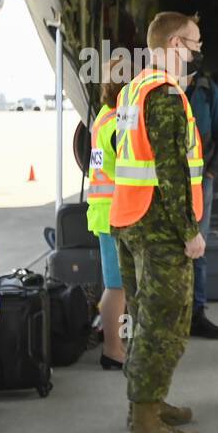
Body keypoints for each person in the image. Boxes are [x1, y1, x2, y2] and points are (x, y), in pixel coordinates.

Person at [110, 12, 206, 433]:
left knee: (146, 320)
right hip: (158, 225)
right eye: (193, 45)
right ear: (171, 44)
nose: (196, 54)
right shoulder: (164, 95)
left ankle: (146, 406)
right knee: (164, 325)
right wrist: (189, 232)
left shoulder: (133, 89)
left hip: (128, 217)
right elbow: (170, 171)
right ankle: (147, 429)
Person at [181, 48, 218, 339]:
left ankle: (196, 314)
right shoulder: (159, 88)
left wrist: (212, 170)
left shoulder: (206, 90)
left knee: (197, 247)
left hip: (201, 181)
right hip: (164, 182)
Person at [87, 54, 126, 370]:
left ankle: (115, 346)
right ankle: (113, 350)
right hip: (113, 214)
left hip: (105, 212)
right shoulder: (117, 123)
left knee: (117, 285)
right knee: (117, 286)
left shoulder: (103, 116)